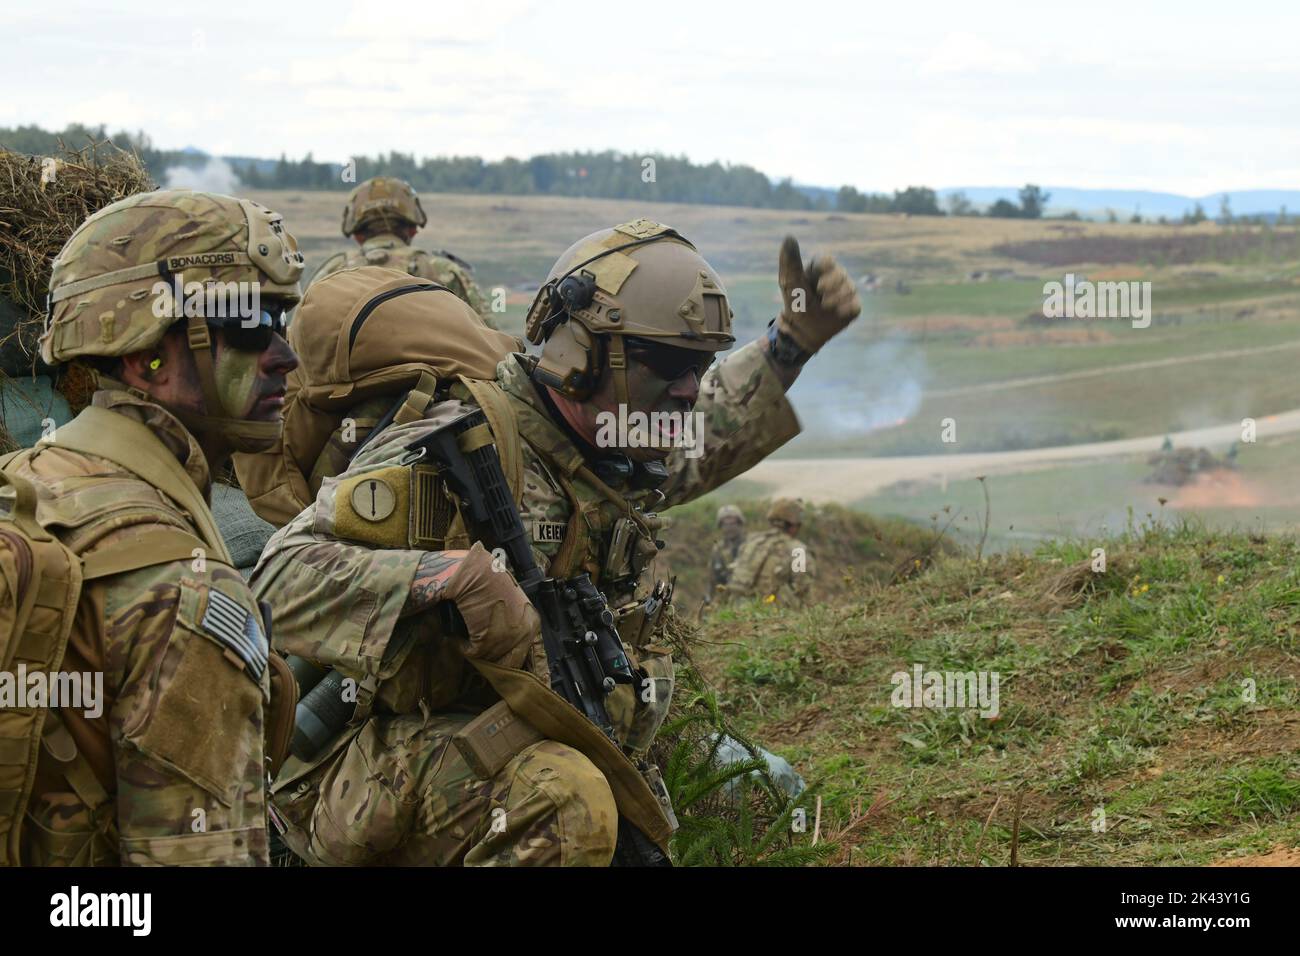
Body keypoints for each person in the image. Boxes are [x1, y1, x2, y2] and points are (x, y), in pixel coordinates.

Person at [252, 218, 860, 865]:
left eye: (700, 365)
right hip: (356, 771)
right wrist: (444, 577)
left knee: (742, 791)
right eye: (670, 365)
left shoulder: (613, 445)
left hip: (506, 736)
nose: (688, 389)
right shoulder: (460, 451)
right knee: (567, 803)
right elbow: (276, 579)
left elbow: (709, 428)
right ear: (580, 354)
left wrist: (789, 345)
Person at [1, 190, 303, 864]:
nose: (283, 355)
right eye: (251, 325)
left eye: (283, 319)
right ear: (145, 359)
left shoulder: (21, 481)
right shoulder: (183, 591)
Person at [309, 176, 497, 328]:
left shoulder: (331, 274)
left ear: (357, 234)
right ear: (412, 229)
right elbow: (492, 343)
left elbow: (301, 341)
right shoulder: (442, 271)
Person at [726, 498, 815, 608]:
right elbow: (802, 588)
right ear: (794, 525)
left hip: (738, 608)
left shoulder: (752, 541)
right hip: (771, 610)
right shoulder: (798, 550)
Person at [708, 504, 746, 597]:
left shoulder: (750, 545)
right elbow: (712, 578)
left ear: (739, 523)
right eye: (725, 524)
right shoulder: (717, 549)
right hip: (725, 597)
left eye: (732, 523)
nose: (729, 528)